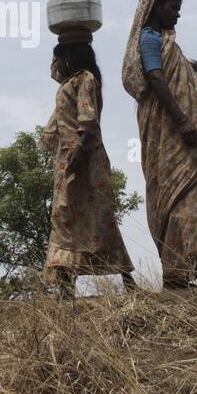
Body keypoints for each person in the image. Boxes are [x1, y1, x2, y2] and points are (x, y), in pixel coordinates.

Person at [122, 0, 197, 288]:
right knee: (176, 197)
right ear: (155, 8)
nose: (178, 13)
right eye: (172, 7)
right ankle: (178, 272)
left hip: (183, 134)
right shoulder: (149, 39)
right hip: (168, 132)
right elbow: (156, 77)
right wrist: (183, 120)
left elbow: (171, 72)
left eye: (178, 8)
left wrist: (190, 68)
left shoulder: (167, 43)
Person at [40, 39, 136, 296]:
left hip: (84, 158)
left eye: (57, 59)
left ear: (69, 60)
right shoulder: (66, 85)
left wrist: (78, 152)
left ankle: (128, 281)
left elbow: (88, 119)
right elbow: (55, 75)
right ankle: (65, 286)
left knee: (99, 217)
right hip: (67, 159)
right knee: (64, 218)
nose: (54, 65)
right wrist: (63, 40)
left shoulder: (85, 79)